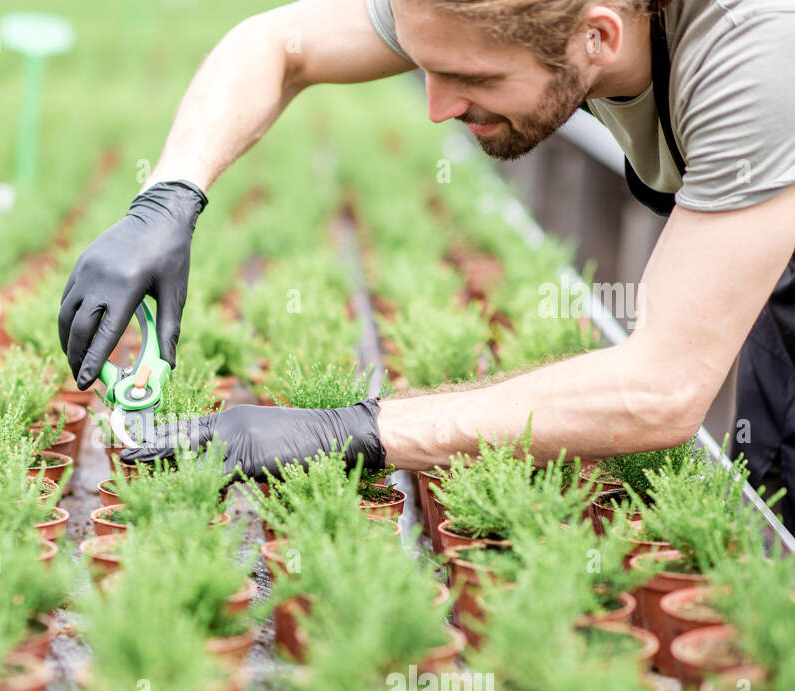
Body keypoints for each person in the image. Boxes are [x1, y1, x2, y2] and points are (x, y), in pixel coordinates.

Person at [56, 0, 795, 525]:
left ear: (597, 38)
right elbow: (279, 43)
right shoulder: (517, 14)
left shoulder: (758, 55)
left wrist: (355, 432)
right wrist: (170, 195)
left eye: (468, 77)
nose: (436, 106)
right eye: (421, 67)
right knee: (768, 503)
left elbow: (661, 387)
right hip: (769, 246)